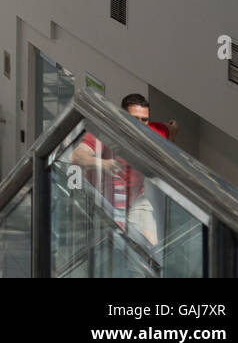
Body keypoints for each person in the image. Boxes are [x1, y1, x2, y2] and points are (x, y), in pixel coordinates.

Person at [70, 93, 176, 250]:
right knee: (110, 248)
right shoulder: (105, 132)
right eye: (134, 118)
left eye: (144, 120)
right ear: (122, 117)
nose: (139, 125)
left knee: (152, 248)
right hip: (101, 202)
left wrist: (171, 133)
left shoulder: (154, 132)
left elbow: (171, 129)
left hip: (136, 201)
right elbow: (76, 156)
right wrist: (105, 164)